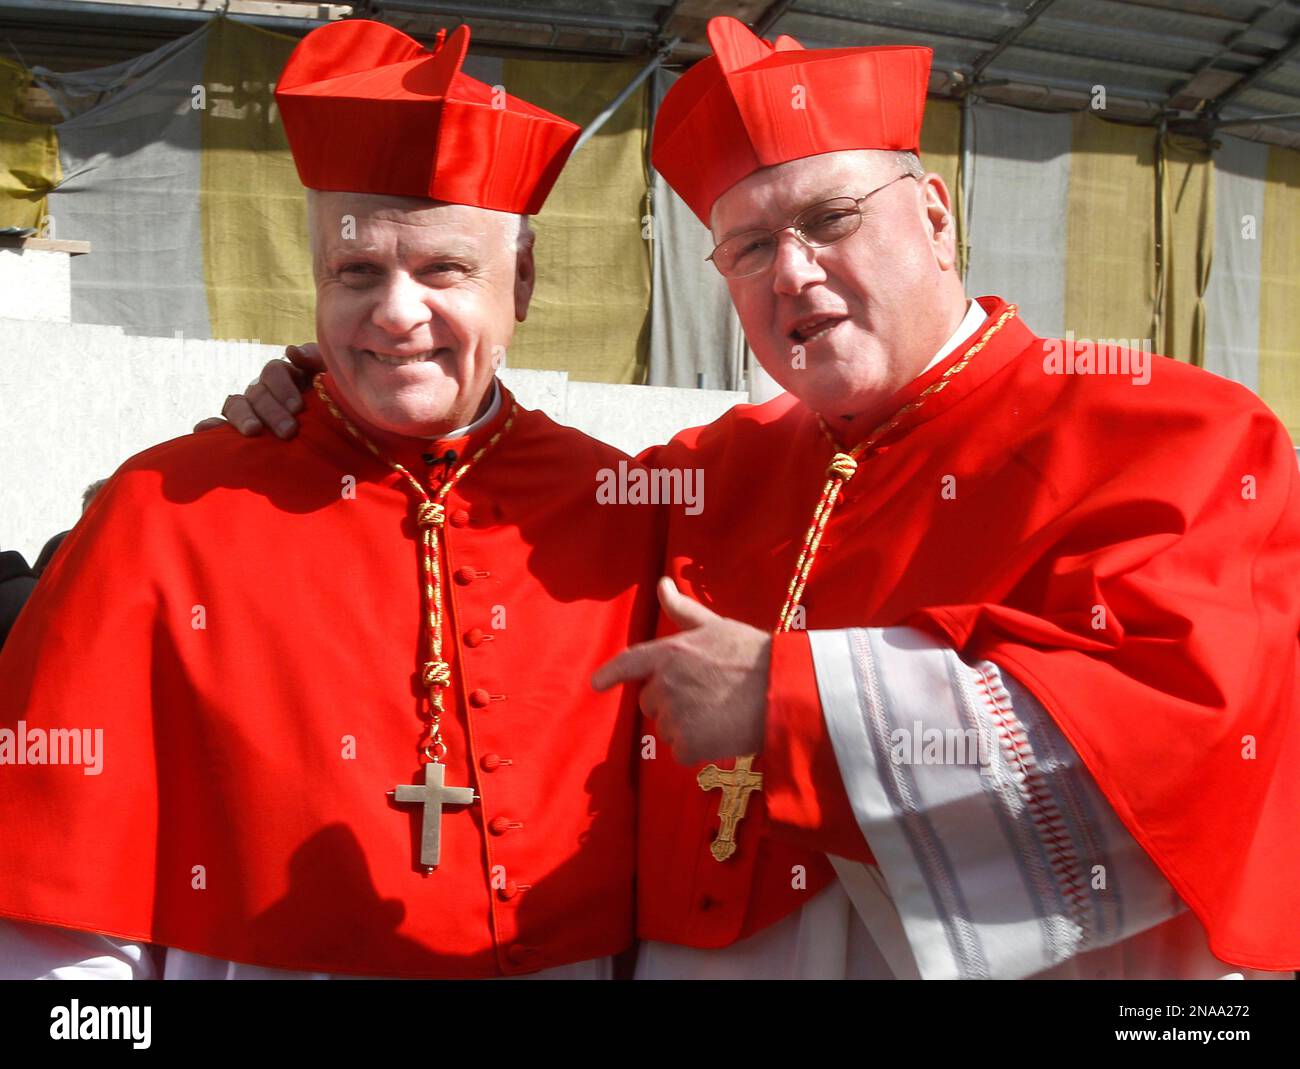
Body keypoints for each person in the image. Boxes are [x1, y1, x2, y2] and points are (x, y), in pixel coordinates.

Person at [224, 17, 1300, 981]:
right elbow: (500, 507)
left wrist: (793, 705)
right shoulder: (713, 467)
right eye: (746, 248)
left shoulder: (1166, 428)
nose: (790, 272)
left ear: (933, 216)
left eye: (829, 218)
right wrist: (357, 399)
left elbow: (1189, 725)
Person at [0, 19, 660, 980]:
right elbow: (54, 929)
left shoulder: (626, 510)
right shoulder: (161, 510)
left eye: (443, 268)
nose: (396, 313)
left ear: (520, 278)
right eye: (358, 272)